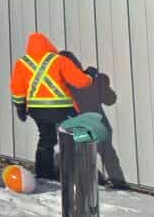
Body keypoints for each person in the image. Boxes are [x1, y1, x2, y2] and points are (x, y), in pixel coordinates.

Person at [10, 32, 95, 181]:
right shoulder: (59, 60)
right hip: (63, 109)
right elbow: (80, 81)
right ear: (48, 44)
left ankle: (44, 175)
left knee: (46, 139)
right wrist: (90, 75)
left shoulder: (21, 63)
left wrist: (20, 107)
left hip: (37, 111)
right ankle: (80, 174)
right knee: (79, 136)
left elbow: (17, 89)